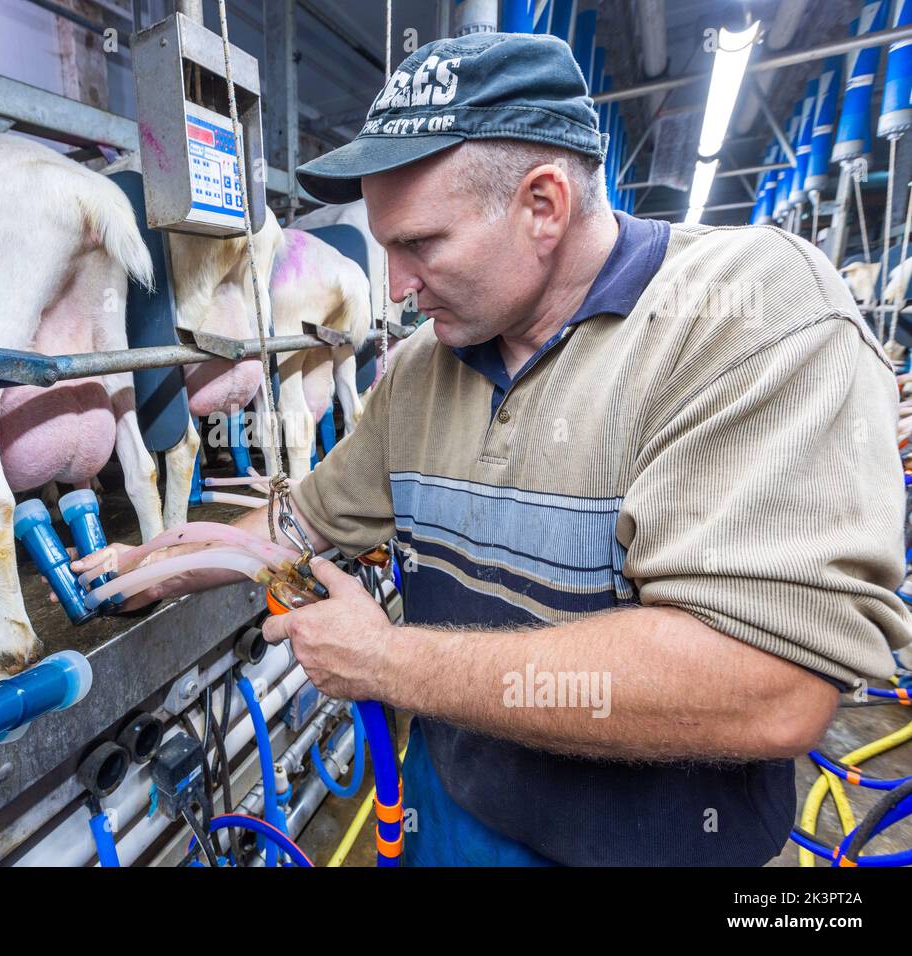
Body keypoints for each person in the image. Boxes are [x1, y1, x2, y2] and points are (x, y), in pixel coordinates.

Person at [66, 31, 912, 866]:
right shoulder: (421, 374)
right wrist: (179, 556)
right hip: (453, 805)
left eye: (418, 245)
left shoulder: (746, 317)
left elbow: (766, 688)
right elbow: (305, 523)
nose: (393, 286)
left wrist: (388, 660)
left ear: (543, 205)